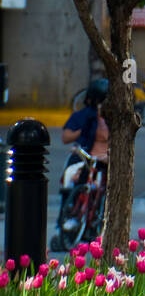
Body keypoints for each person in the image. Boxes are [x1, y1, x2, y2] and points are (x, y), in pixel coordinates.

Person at [56, 81, 110, 238]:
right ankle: (70, 215)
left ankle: (94, 221)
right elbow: (66, 136)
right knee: (70, 177)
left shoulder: (114, 121)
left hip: (104, 162)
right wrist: (82, 131)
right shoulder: (84, 116)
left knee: (99, 182)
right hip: (85, 158)